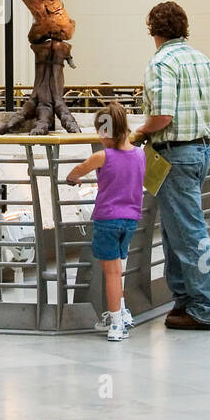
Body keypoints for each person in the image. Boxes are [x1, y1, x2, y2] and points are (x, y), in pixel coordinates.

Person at [130, 1, 210, 332]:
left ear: (152, 30)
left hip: (175, 154)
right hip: (200, 149)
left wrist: (139, 132)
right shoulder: (202, 59)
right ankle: (184, 299)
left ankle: (207, 306)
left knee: (187, 230)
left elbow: (163, 115)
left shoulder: (161, 63)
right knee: (175, 229)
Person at [67, 102, 144, 342]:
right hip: (130, 220)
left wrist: (73, 179)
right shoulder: (140, 154)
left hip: (107, 220)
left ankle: (115, 323)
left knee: (110, 273)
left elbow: (78, 170)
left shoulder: (102, 156)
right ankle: (121, 311)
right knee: (117, 269)